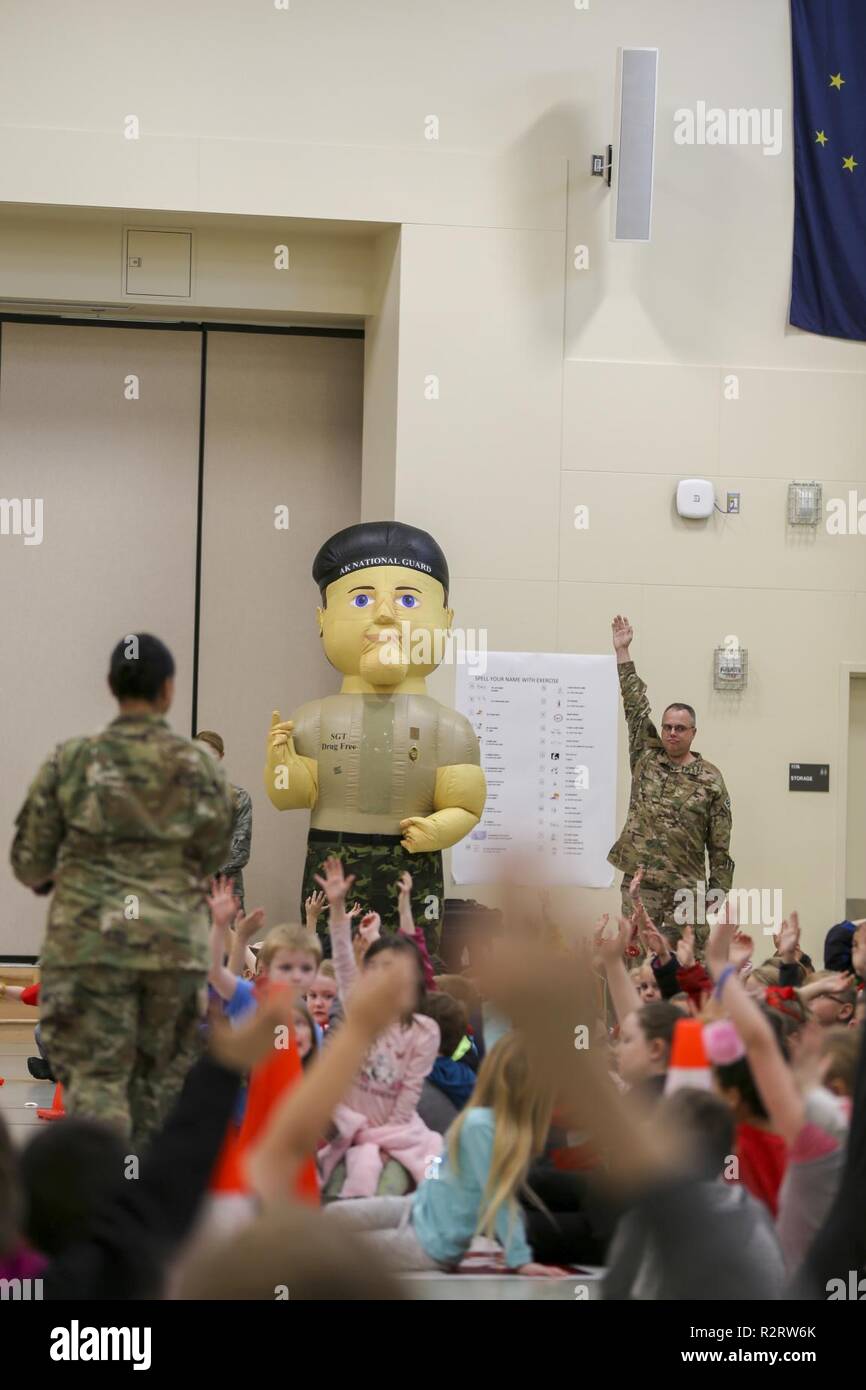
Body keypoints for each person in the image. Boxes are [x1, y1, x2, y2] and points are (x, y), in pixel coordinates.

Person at [10, 633, 234, 1148]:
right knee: (161, 1094)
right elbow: (213, 856)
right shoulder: (201, 769)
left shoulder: (69, 761)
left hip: (87, 955)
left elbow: (28, 863)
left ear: (112, 685)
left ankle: (96, 1210)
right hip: (170, 956)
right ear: (170, 691)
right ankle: (147, 1211)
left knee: (93, 1093)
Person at [264, 521, 486, 957]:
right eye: (361, 599)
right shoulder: (311, 720)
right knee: (328, 960)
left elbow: (465, 805)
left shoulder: (451, 728)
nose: (384, 614)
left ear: (445, 620)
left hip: (411, 862)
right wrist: (282, 764)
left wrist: (437, 829)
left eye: (407, 600)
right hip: (333, 858)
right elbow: (290, 797)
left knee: (412, 960)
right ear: (323, 619)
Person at [324, 1033, 556, 1275]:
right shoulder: (477, 1120)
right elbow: (441, 1160)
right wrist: (426, 1185)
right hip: (417, 1208)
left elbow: (497, 1195)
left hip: (430, 1241)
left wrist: (520, 1259)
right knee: (332, 1216)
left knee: (334, 1248)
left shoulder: (481, 1127)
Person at [315, 856, 442, 1199]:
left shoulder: (425, 1030)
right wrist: (338, 908)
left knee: (430, 1167)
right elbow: (342, 959)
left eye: (399, 969)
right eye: (381, 966)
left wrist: (382, 1142)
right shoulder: (360, 1008)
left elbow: (408, 1095)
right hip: (346, 1127)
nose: (390, 976)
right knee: (336, 1189)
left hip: (396, 1134)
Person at [607, 614, 734, 948]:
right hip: (640, 886)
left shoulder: (710, 780)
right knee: (633, 958)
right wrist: (623, 652)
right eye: (667, 727)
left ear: (693, 732)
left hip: (687, 890)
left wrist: (717, 893)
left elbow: (719, 847)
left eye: (680, 728)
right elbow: (634, 706)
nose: (672, 733)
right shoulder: (646, 758)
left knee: (686, 966)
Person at [195, 731, 253, 911]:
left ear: (221, 756)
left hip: (227, 889)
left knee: (233, 939)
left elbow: (240, 850)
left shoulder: (239, 797)